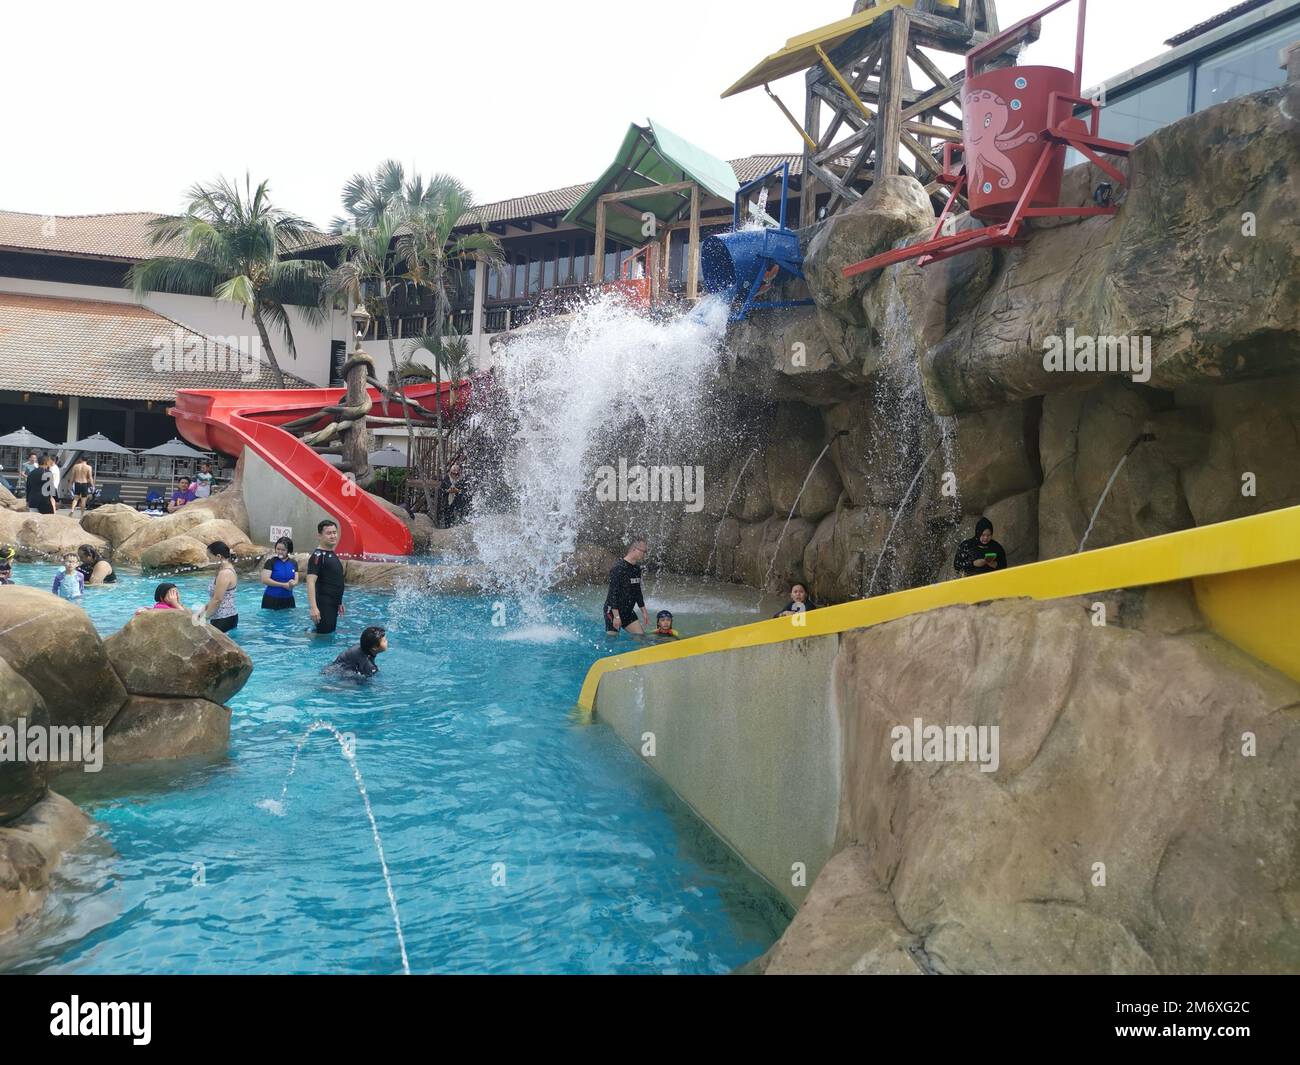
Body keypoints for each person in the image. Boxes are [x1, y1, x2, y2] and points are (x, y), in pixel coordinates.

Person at [306, 519, 346, 634]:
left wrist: (339, 601)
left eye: (334, 532)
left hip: (333, 604)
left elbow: (333, 580)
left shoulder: (331, 553)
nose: (333, 536)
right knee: (323, 636)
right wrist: (313, 607)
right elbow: (310, 582)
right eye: (329, 533)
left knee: (328, 633)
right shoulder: (318, 556)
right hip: (323, 604)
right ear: (319, 536)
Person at [604, 537, 648, 636]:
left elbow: (637, 591)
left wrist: (644, 611)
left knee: (640, 636)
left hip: (627, 610)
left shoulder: (637, 569)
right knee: (612, 640)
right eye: (643, 551)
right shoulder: (618, 568)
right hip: (613, 611)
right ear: (633, 549)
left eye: (646, 552)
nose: (645, 554)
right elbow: (613, 594)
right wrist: (616, 617)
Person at [200, 541, 239, 632]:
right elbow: (215, 598)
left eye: (210, 557)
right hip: (223, 616)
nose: (208, 560)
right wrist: (203, 611)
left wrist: (204, 618)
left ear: (218, 556)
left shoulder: (225, 573)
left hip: (224, 618)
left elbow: (217, 600)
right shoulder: (223, 570)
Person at [260, 536, 299, 610]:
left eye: (283, 550)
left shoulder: (293, 563)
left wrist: (293, 583)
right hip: (271, 599)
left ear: (289, 550)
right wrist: (283, 585)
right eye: (278, 549)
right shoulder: (271, 562)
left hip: (288, 600)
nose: (280, 552)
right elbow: (264, 580)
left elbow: (296, 580)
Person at [437, 461, 470, 527]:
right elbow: (441, 490)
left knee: (459, 516)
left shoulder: (462, 480)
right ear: (450, 473)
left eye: (456, 474)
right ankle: (447, 527)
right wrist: (447, 491)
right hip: (448, 502)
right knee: (448, 516)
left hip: (458, 502)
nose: (455, 475)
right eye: (453, 473)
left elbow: (466, 491)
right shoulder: (446, 479)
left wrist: (458, 491)